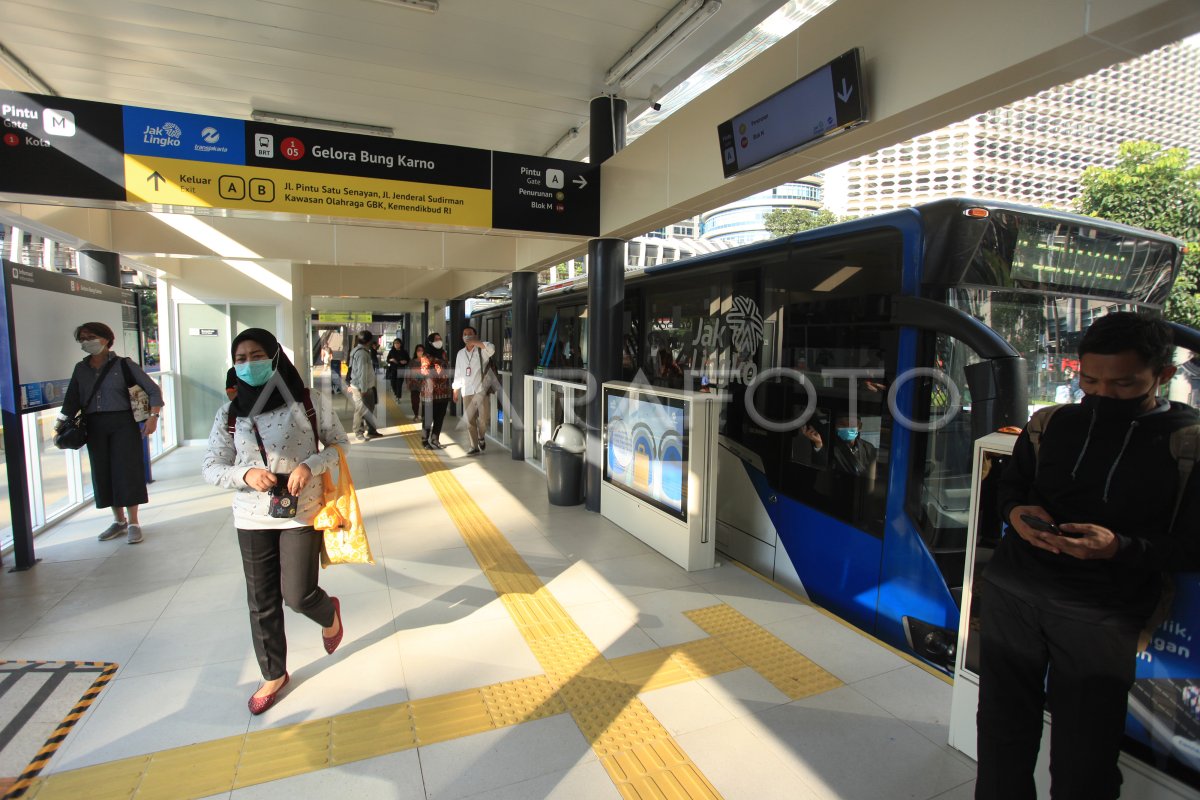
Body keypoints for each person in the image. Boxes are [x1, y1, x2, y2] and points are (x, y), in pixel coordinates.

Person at [976, 312, 1200, 800]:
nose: (1100, 394)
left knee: (1085, 758)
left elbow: (1190, 547)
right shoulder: (1051, 422)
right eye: (1089, 379)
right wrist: (1016, 512)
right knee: (1000, 733)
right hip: (1014, 593)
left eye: (1123, 383)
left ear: (1161, 375)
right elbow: (1010, 486)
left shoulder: (1187, 442)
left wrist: (1117, 546)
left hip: (1101, 615)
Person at [201, 328, 349, 716]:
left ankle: (329, 614)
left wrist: (310, 464)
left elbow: (340, 444)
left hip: (301, 511)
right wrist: (244, 476)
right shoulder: (230, 413)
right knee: (261, 601)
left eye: (257, 355)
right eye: (241, 358)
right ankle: (274, 674)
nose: (248, 364)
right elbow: (211, 466)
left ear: (275, 357)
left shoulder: (309, 402)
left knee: (298, 595)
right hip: (251, 516)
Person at [57, 322, 163, 545]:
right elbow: (72, 400)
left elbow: (152, 389)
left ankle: (134, 521)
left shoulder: (124, 365)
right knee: (103, 472)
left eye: (91, 337)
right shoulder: (81, 368)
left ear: (106, 339)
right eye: (83, 338)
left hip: (123, 423)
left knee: (127, 470)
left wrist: (153, 417)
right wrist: (61, 424)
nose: (87, 342)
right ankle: (118, 520)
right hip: (94, 425)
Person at [451, 326, 495, 455]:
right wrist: (455, 389)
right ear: (462, 337)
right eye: (465, 334)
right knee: (470, 421)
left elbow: (491, 349)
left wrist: (475, 343)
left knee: (484, 419)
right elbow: (458, 372)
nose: (467, 336)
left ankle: (481, 436)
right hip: (466, 390)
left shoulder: (482, 350)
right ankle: (474, 446)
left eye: (470, 333)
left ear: (475, 335)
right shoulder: (460, 353)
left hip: (480, 390)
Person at [801, 414, 877, 477]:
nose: (847, 427)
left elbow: (871, 475)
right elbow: (821, 466)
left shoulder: (869, 448)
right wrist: (818, 443)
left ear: (859, 426)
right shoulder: (828, 442)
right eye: (842, 424)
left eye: (852, 424)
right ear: (835, 426)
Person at [347, 330, 382, 441]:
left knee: (370, 408)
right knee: (360, 410)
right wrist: (363, 389)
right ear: (368, 341)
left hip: (367, 386)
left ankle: (371, 430)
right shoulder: (362, 353)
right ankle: (358, 432)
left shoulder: (360, 351)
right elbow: (362, 373)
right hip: (361, 387)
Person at [419, 332, 451, 449]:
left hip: (443, 392)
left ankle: (435, 439)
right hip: (430, 392)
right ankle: (424, 440)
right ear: (430, 342)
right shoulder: (426, 356)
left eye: (440, 338)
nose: (439, 341)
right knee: (428, 417)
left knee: (440, 417)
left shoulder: (443, 353)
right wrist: (437, 368)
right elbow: (424, 371)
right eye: (436, 339)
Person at [385, 338, 410, 406]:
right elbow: (387, 360)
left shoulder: (404, 352)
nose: (396, 344)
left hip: (401, 369)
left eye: (398, 343)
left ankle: (398, 397)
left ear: (400, 344)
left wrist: (405, 361)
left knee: (399, 384)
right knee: (393, 383)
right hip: (393, 369)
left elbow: (408, 360)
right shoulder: (392, 351)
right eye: (395, 343)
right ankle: (396, 393)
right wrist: (391, 360)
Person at [406, 344, 425, 419]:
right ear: (416, 352)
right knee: (415, 401)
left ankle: (424, 416)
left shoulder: (426, 362)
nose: (420, 352)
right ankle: (416, 414)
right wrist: (408, 382)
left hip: (424, 383)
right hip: (414, 383)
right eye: (418, 350)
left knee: (425, 401)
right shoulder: (412, 362)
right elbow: (408, 372)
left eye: (422, 350)